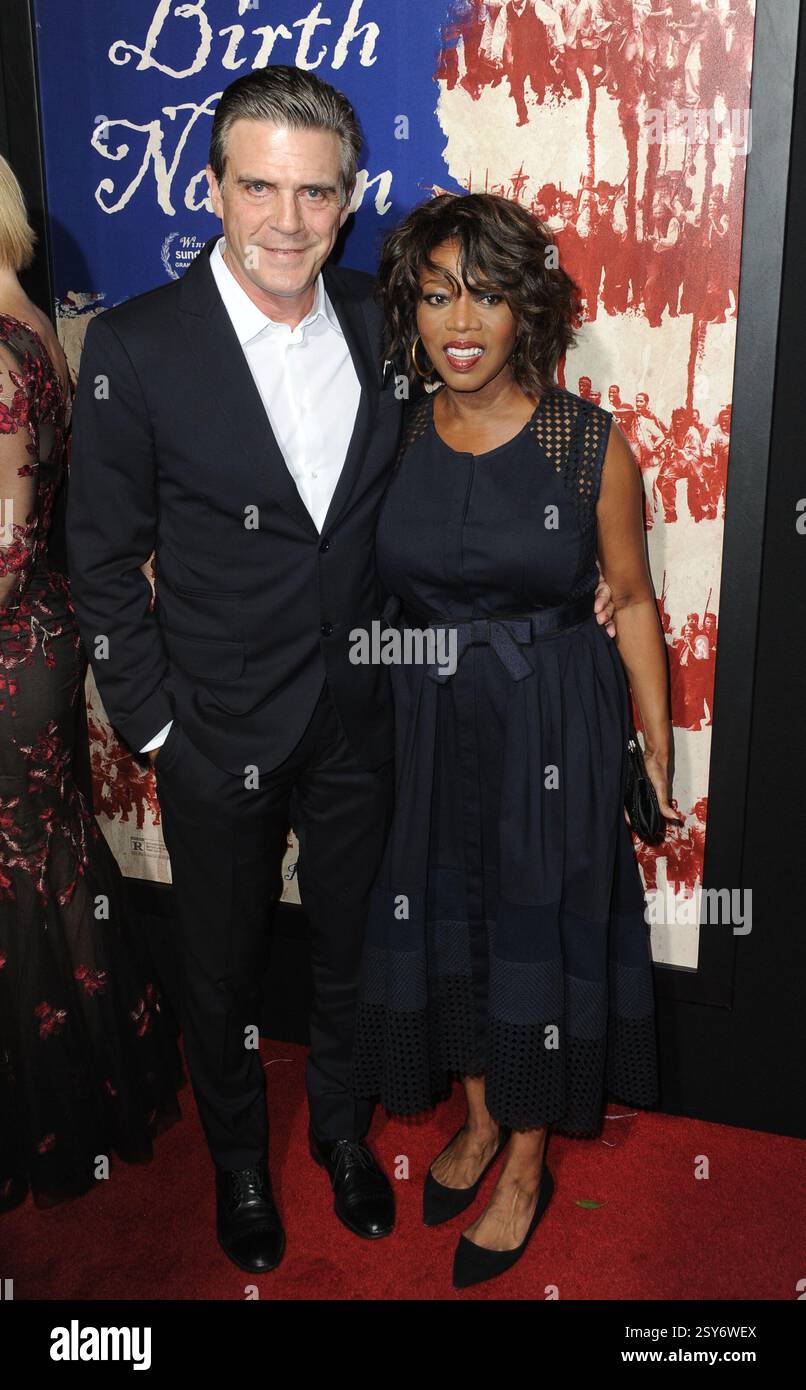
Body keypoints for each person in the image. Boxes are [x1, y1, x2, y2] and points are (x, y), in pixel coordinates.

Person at [67, 65, 617, 1275]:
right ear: (212, 188)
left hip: (370, 718)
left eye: (313, 193)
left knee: (363, 947)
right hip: (211, 728)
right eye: (257, 186)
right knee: (217, 967)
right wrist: (157, 730)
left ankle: (342, 1135)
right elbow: (100, 561)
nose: (284, 220)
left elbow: (488, 436)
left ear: (348, 198)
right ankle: (243, 1165)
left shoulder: (387, 321)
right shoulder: (138, 345)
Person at [351, 192, 681, 1290]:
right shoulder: (391, 426)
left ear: (524, 308)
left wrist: (655, 755)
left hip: (550, 717)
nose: (460, 319)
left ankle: (528, 1159)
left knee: (535, 934)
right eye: (437, 292)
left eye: (486, 293)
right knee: (450, 922)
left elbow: (629, 600)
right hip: (428, 722)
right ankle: (484, 1118)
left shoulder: (585, 443)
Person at [0, 156, 185, 1215]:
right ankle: (102, 1098)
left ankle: (62, 1119)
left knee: (33, 879)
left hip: (15, 645)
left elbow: (8, 545)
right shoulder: (39, 330)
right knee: (53, 866)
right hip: (40, 639)